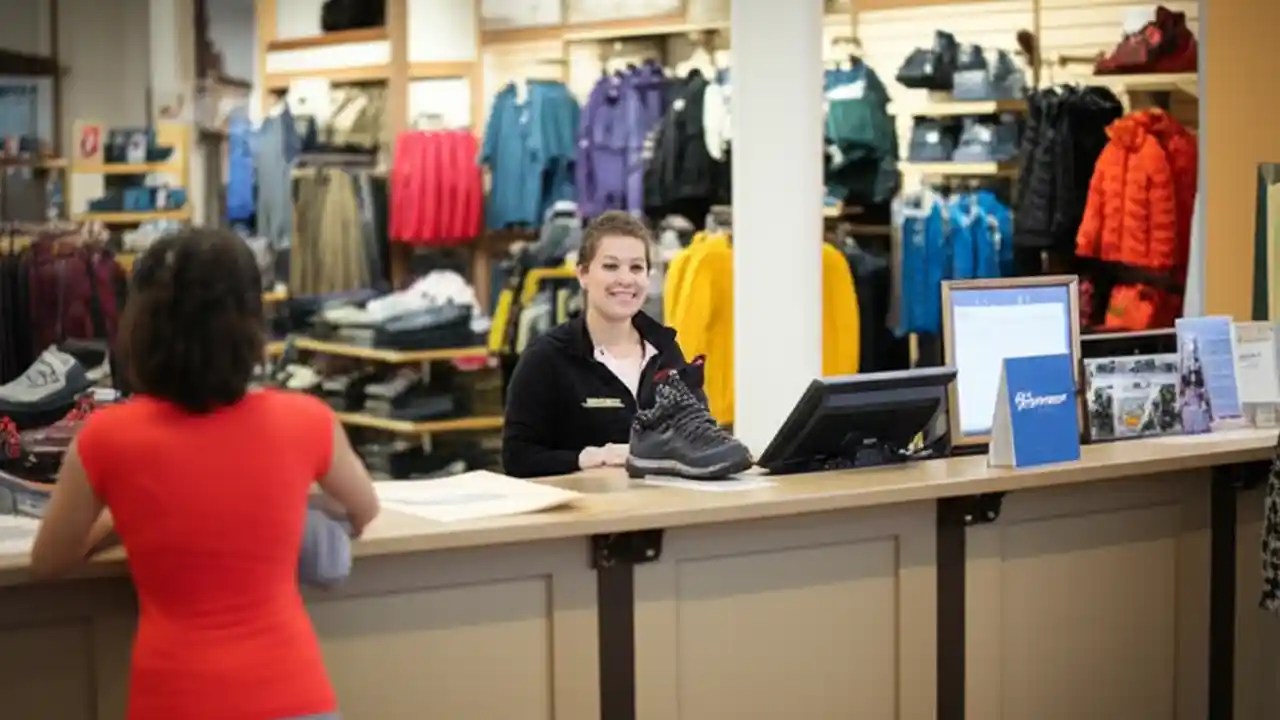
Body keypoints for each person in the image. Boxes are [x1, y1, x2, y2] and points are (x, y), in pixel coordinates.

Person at [30, 228, 379, 720]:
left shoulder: (107, 438)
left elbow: (49, 561)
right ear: (252, 325)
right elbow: (364, 510)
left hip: (175, 700)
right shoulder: (305, 420)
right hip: (294, 697)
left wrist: (120, 522)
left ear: (141, 328)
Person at [502, 211, 700, 478]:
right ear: (583, 274)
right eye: (610, 266)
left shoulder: (666, 351)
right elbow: (517, 457)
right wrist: (589, 458)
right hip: (588, 514)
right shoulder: (546, 358)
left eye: (636, 267)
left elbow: (698, 435)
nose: (625, 279)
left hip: (664, 510)